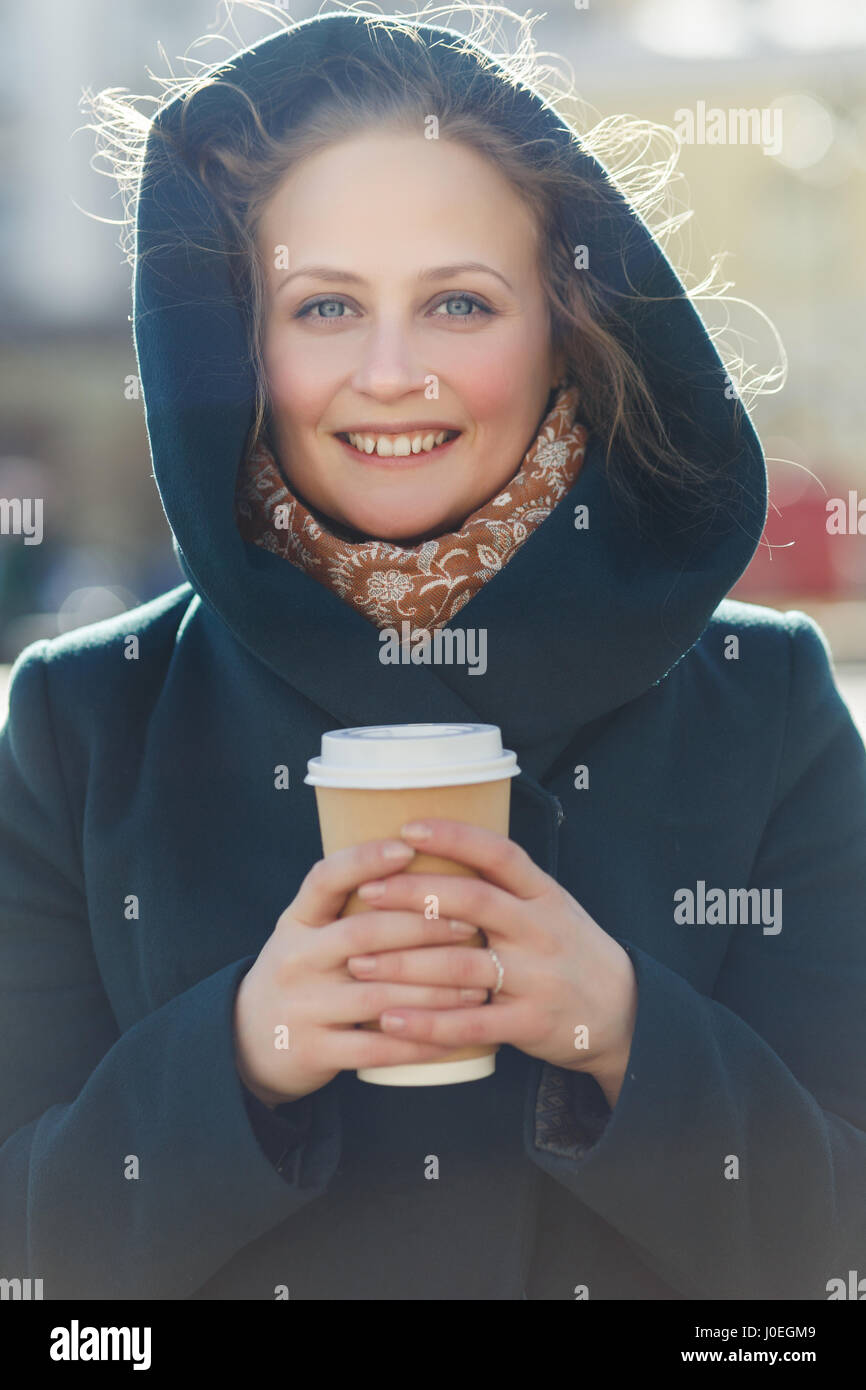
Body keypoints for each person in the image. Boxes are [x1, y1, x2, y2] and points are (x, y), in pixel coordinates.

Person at [1, 5, 864, 1301]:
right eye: (325, 304)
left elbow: (837, 1250)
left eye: (459, 301)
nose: (390, 371)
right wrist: (234, 1054)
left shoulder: (769, 701)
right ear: (242, 342)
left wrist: (627, 1034)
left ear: (563, 324)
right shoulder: (78, 724)